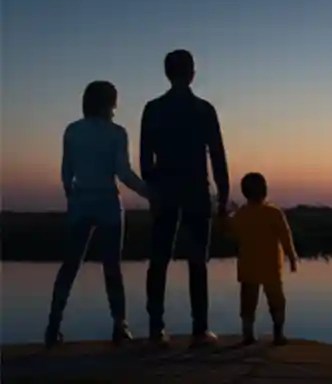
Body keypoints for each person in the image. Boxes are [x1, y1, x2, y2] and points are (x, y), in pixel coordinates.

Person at [45, 81, 150, 347]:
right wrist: (149, 193)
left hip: (81, 202)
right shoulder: (116, 133)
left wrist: (72, 196)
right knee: (112, 267)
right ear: (111, 103)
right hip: (107, 203)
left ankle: (53, 324)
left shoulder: (72, 131)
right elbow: (123, 173)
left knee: (70, 265)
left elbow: (66, 171)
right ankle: (120, 325)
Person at [140, 49, 230, 346]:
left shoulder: (153, 109)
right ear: (191, 72)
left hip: (165, 189)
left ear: (167, 73)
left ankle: (156, 329)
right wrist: (224, 192)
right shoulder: (203, 109)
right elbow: (217, 154)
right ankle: (200, 329)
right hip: (195, 190)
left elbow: (145, 159)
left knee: (159, 259)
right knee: (197, 261)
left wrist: (153, 189)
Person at [219, 172, 298, 345]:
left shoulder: (241, 214)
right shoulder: (274, 213)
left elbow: (230, 232)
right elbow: (286, 237)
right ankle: (278, 334)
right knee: (277, 302)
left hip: (248, 267)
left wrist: (223, 217)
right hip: (271, 268)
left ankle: (248, 335)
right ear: (265, 190)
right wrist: (292, 258)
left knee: (248, 303)